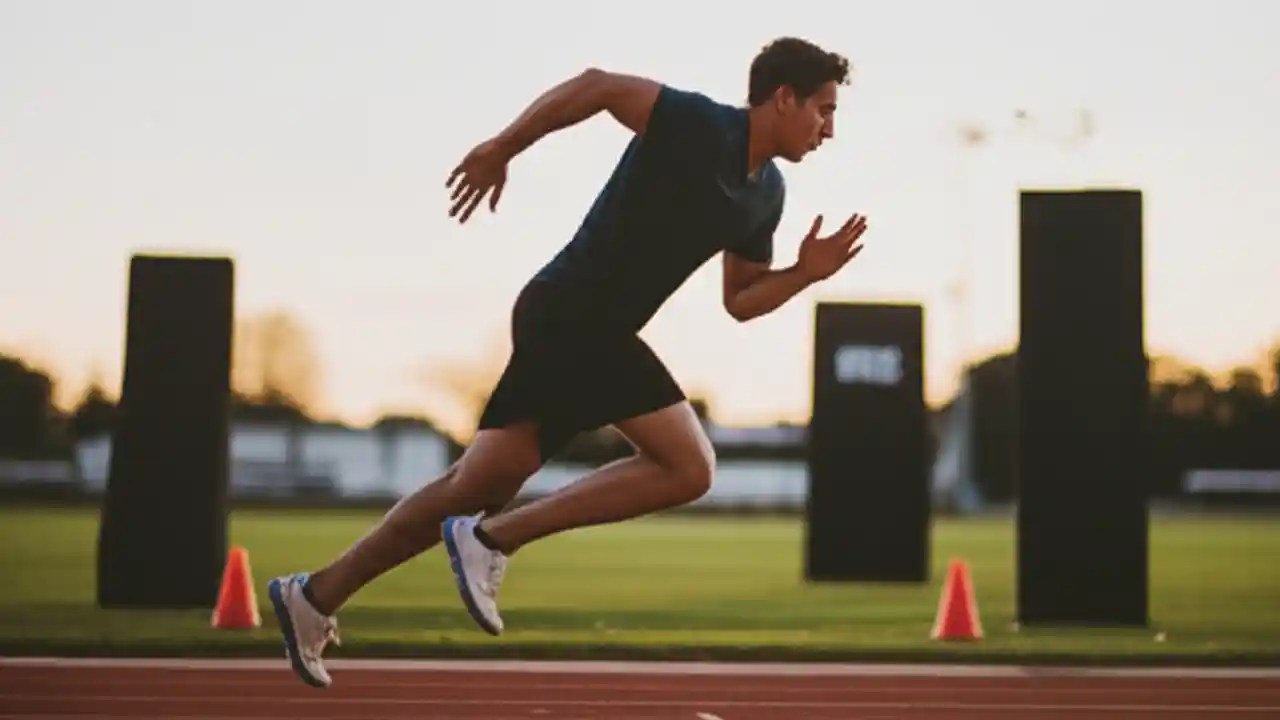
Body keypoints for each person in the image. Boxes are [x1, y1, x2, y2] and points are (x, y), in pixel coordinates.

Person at [267, 36, 869, 688]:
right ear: (783, 98)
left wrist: (805, 274)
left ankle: (315, 596)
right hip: (571, 312)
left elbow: (742, 300)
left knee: (471, 487)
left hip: (585, 335)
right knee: (689, 467)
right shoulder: (699, 124)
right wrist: (502, 148)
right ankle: (494, 540)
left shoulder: (766, 194)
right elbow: (597, 85)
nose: (829, 130)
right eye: (823, 110)